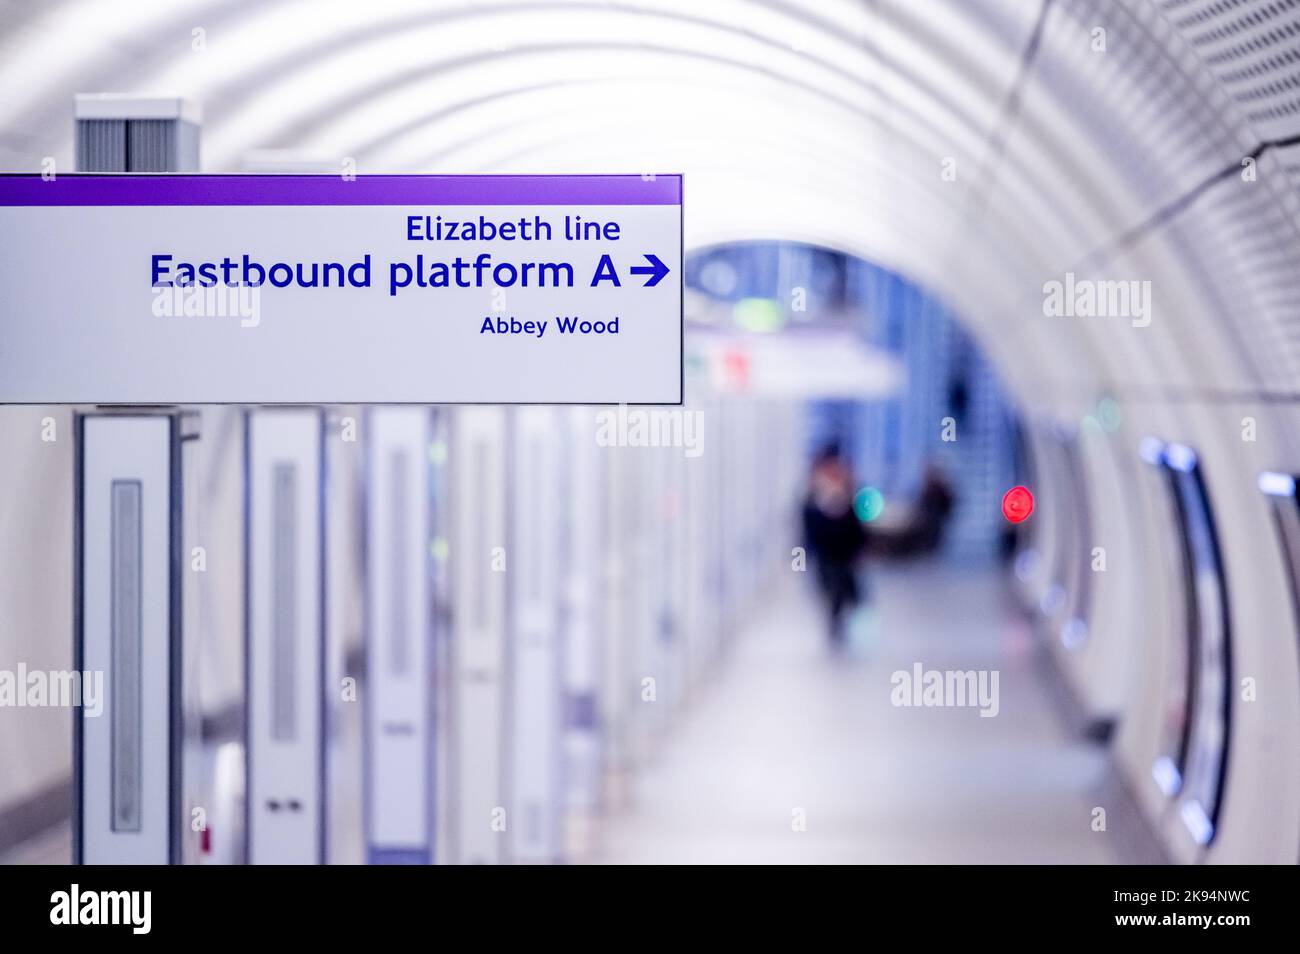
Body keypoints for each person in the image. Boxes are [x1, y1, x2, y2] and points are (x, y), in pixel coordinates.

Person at [801, 445, 870, 645]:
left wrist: (859, 547)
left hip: (843, 551)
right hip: (827, 551)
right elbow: (808, 523)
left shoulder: (849, 490)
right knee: (831, 588)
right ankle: (835, 622)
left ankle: (838, 623)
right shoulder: (815, 494)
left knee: (841, 589)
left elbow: (857, 523)